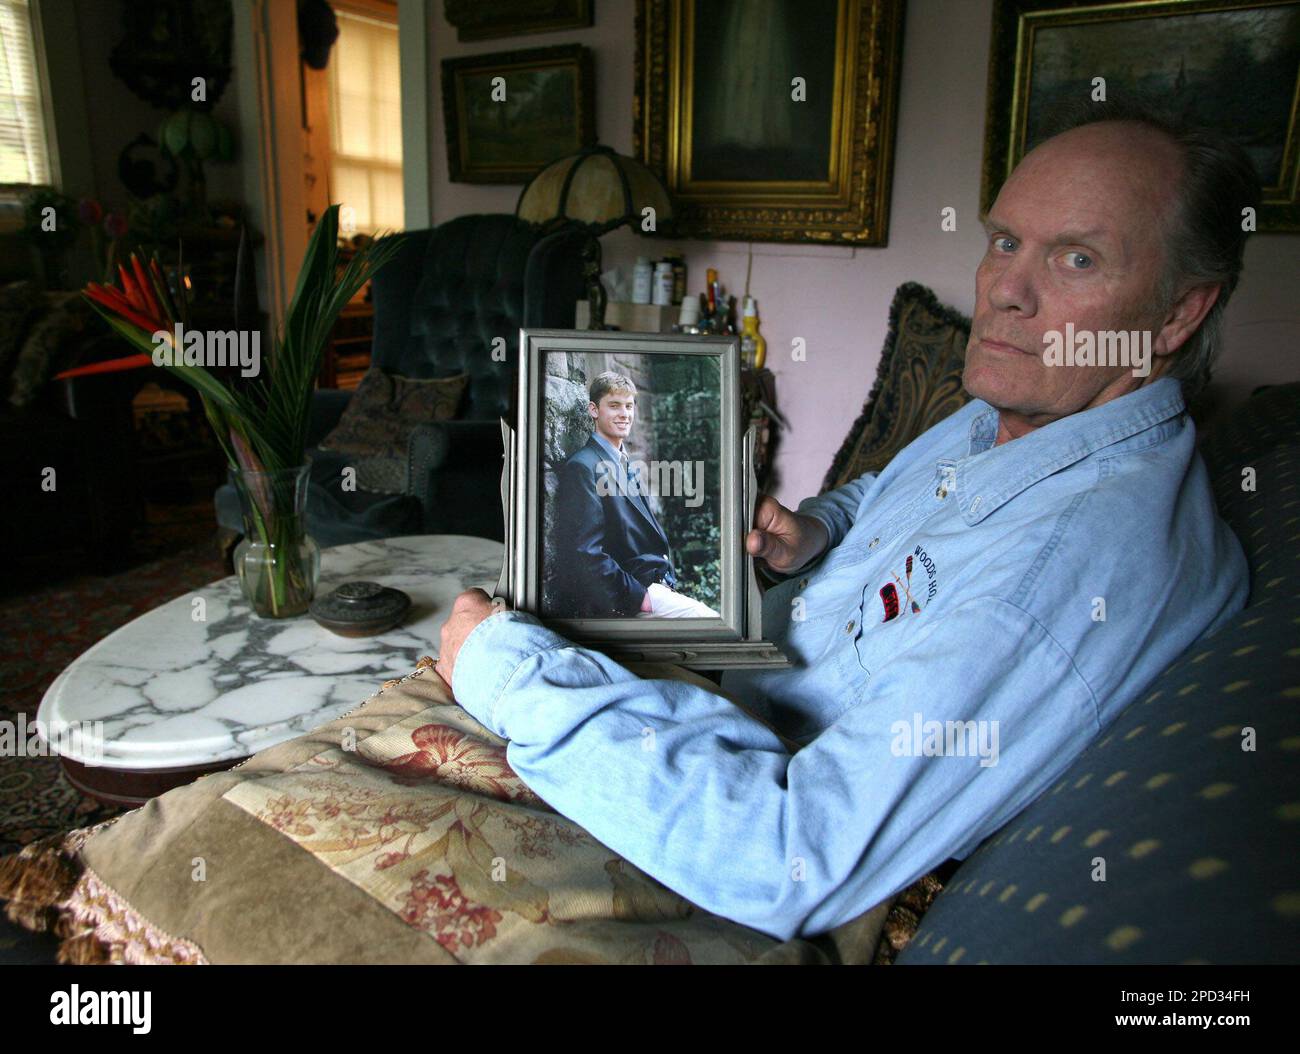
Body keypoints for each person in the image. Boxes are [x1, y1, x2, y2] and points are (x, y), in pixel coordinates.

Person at [432, 100, 1258, 942]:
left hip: (741, 824)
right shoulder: (1016, 413)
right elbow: (882, 496)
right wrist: (819, 529)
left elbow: (790, 855)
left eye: (1077, 258)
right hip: (726, 693)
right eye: (1005, 241)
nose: (1005, 291)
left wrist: (506, 673)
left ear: (1179, 312)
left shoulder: (1067, 567)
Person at [548, 371, 717, 619]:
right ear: (594, 410)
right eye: (614, 406)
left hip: (656, 585)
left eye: (629, 406)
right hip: (630, 594)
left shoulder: (625, 462)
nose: (624, 414)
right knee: (710, 622)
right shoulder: (583, 466)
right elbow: (586, 553)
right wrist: (640, 598)